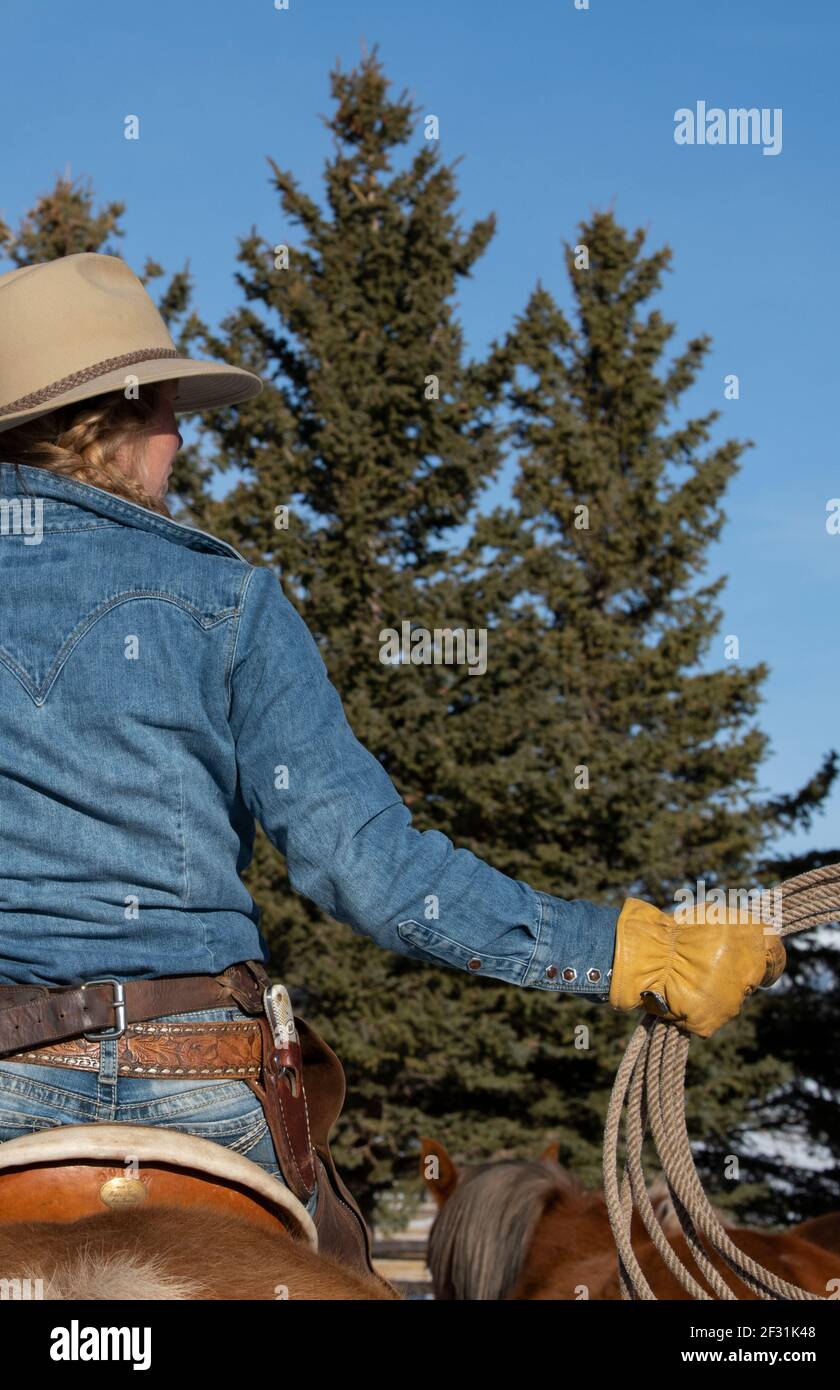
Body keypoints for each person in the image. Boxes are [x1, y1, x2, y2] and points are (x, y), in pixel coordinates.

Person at [0, 252, 785, 1275]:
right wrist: (627, 952)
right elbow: (370, 870)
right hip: (202, 1077)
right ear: (105, 421)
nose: (183, 439)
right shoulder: (227, 602)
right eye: (168, 412)